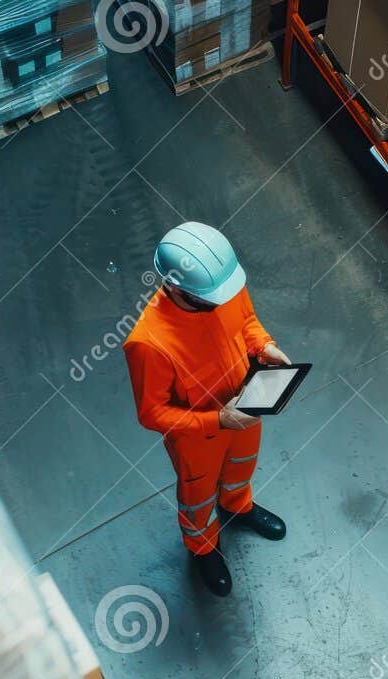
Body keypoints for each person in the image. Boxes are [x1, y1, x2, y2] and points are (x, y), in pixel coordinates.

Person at [124, 222, 290, 597]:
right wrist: (217, 418)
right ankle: (202, 546)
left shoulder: (222, 286)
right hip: (197, 436)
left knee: (242, 465)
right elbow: (152, 413)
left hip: (246, 403)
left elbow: (246, 321)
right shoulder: (147, 342)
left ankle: (237, 506)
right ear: (179, 288)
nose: (226, 301)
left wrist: (264, 346)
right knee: (197, 495)